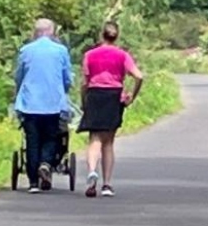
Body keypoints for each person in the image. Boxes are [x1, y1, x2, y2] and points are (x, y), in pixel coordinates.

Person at [78, 21, 144, 198]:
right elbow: (139, 76)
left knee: (94, 139)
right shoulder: (122, 55)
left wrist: (83, 101)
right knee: (108, 142)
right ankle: (107, 184)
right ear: (117, 36)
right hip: (114, 96)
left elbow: (84, 82)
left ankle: (92, 172)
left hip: (95, 95)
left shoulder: (90, 55)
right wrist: (132, 95)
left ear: (102, 35)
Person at [13, 18, 73, 194]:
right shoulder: (61, 51)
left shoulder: (25, 51)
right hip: (52, 103)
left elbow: (19, 76)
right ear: (52, 32)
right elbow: (67, 77)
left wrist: (18, 93)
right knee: (51, 137)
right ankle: (46, 163)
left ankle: (32, 183)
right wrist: (64, 90)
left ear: (35, 32)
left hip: (30, 103)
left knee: (32, 141)